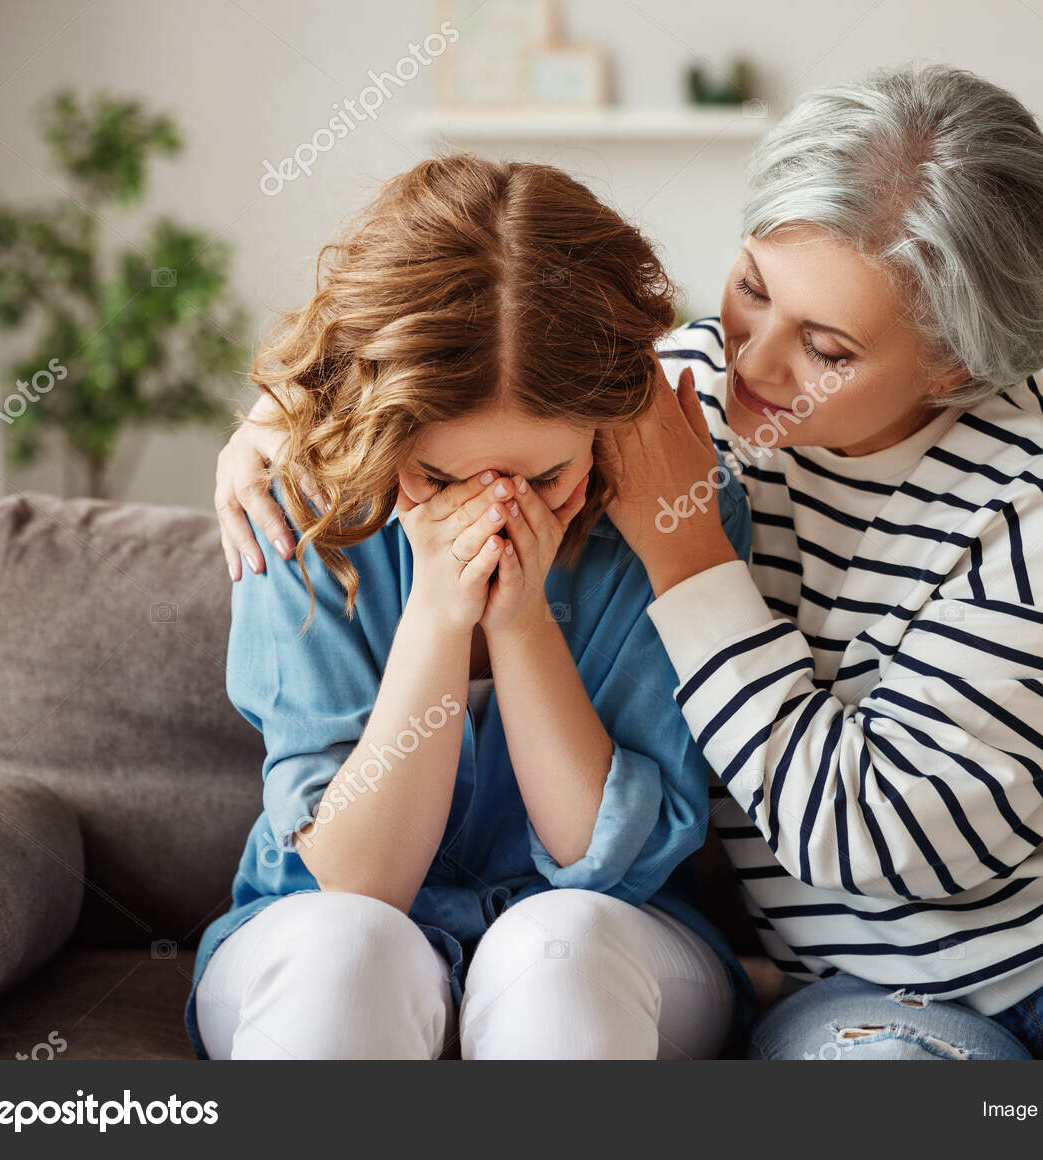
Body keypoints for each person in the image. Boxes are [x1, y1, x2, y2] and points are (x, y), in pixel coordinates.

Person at [214, 66, 1043, 1060]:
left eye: (826, 346)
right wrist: (281, 417)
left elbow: (891, 849)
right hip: (876, 992)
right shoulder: (684, 394)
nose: (751, 366)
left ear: (953, 372)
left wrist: (689, 556)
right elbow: (478, 344)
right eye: (752, 288)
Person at [188, 154, 751, 1060]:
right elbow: (357, 879)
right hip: (320, 922)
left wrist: (521, 622)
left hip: (608, 940)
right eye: (440, 477)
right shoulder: (296, 507)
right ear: (381, 423)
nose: (494, 511)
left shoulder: (677, 508)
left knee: (554, 946)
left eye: (544, 476)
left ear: (603, 428)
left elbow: (603, 863)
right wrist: (440, 617)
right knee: (348, 950)